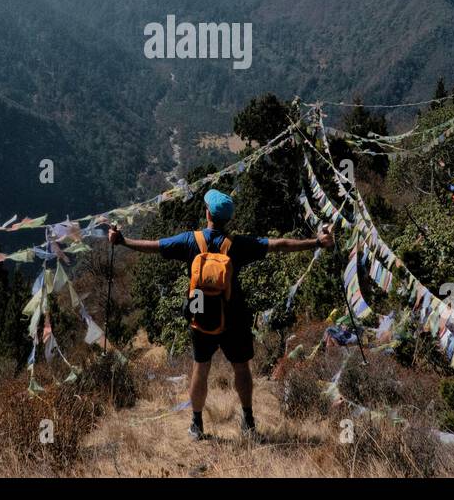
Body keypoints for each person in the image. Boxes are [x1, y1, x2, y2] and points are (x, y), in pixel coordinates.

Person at [108, 188, 333, 441]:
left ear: (207, 214)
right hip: (234, 316)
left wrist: (123, 241)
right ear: (228, 219)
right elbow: (279, 245)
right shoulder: (239, 245)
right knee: (241, 368)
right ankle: (248, 421)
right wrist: (316, 242)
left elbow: (155, 246)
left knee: (200, 368)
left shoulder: (189, 241)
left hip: (200, 312)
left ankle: (196, 424)